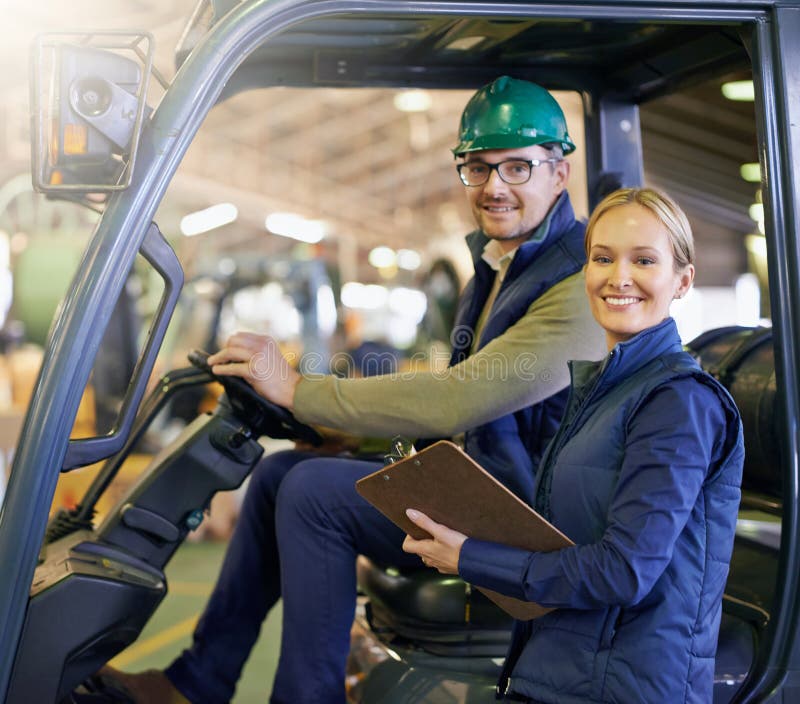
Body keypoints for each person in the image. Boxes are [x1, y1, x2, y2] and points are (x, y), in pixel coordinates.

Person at [101, 76, 605, 704]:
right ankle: (197, 682)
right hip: (489, 486)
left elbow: (461, 399)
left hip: (531, 521)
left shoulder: (577, 287)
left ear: (559, 173)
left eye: (517, 167)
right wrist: (340, 432)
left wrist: (301, 391)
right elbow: (470, 417)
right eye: (477, 168)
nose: (494, 186)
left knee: (315, 494)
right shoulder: (499, 267)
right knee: (279, 476)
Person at [402, 187, 745, 704]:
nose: (618, 277)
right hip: (561, 670)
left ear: (683, 280)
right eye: (602, 258)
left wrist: (472, 558)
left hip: (620, 687)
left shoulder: (678, 402)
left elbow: (624, 571)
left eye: (644, 260)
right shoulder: (601, 391)